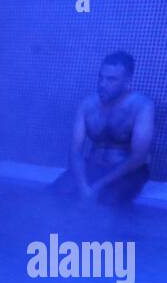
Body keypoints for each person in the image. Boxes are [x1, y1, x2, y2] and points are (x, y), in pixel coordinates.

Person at [50, 51, 155, 205]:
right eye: (101, 77)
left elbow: (139, 157)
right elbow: (75, 150)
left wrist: (98, 186)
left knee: (107, 201)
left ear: (127, 81)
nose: (102, 84)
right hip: (93, 167)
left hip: (127, 172)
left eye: (111, 79)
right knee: (54, 194)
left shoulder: (141, 106)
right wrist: (83, 185)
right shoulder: (88, 105)